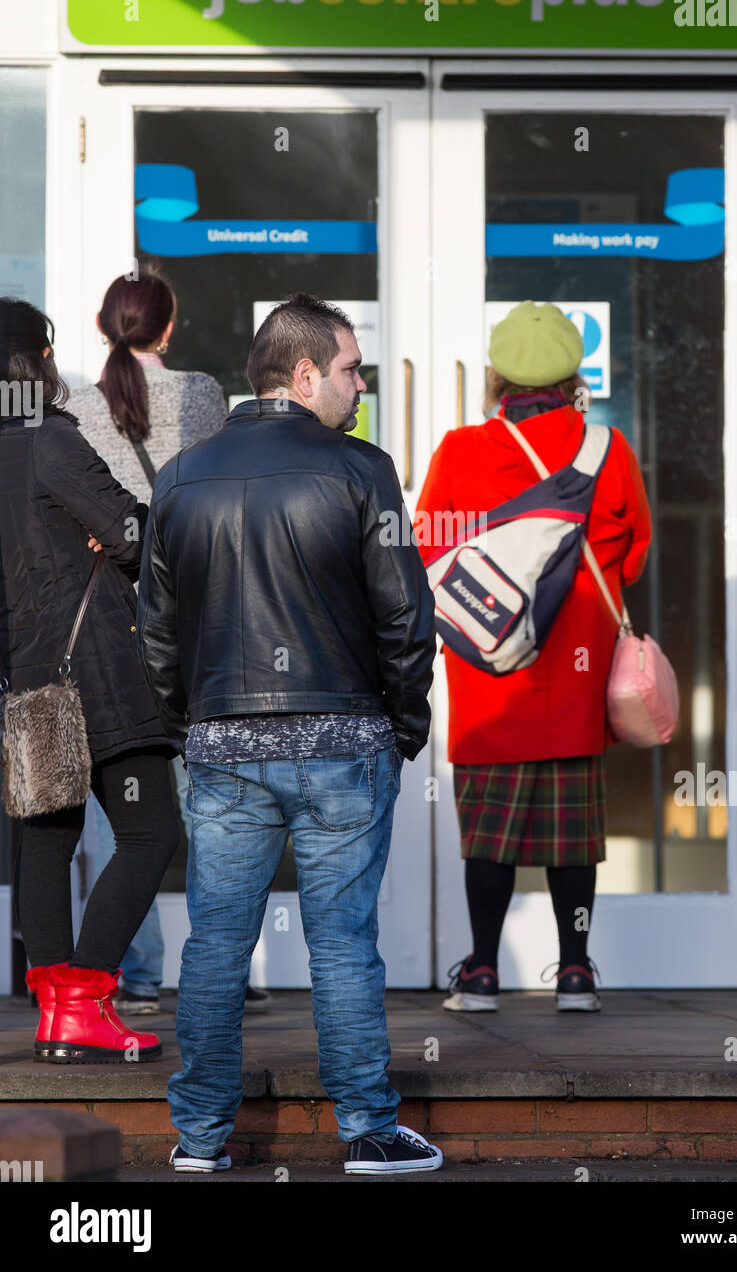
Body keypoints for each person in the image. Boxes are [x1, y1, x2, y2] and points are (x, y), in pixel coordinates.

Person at [136, 292, 441, 1175]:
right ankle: (370, 1133)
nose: (360, 383)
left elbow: (155, 629)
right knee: (343, 943)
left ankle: (198, 1139)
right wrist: (404, 723)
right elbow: (404, 616)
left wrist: (187, 727)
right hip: (344, 741)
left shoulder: (181, 476)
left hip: (223, 748)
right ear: (303, 373)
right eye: (351, 369)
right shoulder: (361, 469)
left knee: (215, 945)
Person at [414, 301, 652, 1013]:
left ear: (497, 377)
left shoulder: (460, 450)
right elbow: (635, 557)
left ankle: (482, 972)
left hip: (491, 676)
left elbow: (428, 553)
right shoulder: (608, 451)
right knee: (573, 838)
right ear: (573, 374)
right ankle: (575, 972)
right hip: (578, 676)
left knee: (488, 836)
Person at [0, 298, 179, 1061]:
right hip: (97, 672)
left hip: (25, 677)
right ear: (28, 359)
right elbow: (134, 535)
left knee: (45, 839)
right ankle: (87, 996)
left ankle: (54, 1014)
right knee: (148, 832)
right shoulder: (48, 441)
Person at [67, 270, 237, 1016]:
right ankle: (222, 964)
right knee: (216, 801)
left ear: (105, 328)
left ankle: (135, 973)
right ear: (167, 330)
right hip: (198, 613)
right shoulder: (201, 394)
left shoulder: (71, 407)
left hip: (109, 622)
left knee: (125, 806)